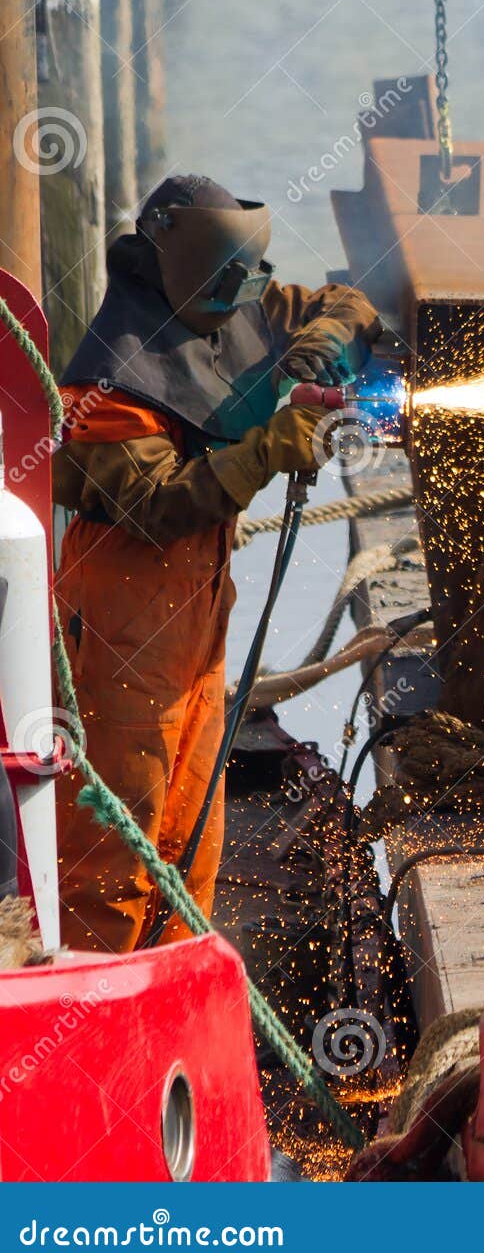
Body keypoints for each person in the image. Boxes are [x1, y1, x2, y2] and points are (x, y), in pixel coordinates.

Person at [51, 174, 379, 952]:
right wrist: (264, 449)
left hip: (198, 631)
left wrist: (316, 352)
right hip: (123, 639)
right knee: (114, 860)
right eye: (230, 282)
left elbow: (350, 303)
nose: (245, 299)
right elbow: (155, 504)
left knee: (191, 842)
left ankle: (169, 1016)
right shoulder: (108, 380)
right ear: (190, 266)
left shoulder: (236, 308)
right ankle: (92, 1029)